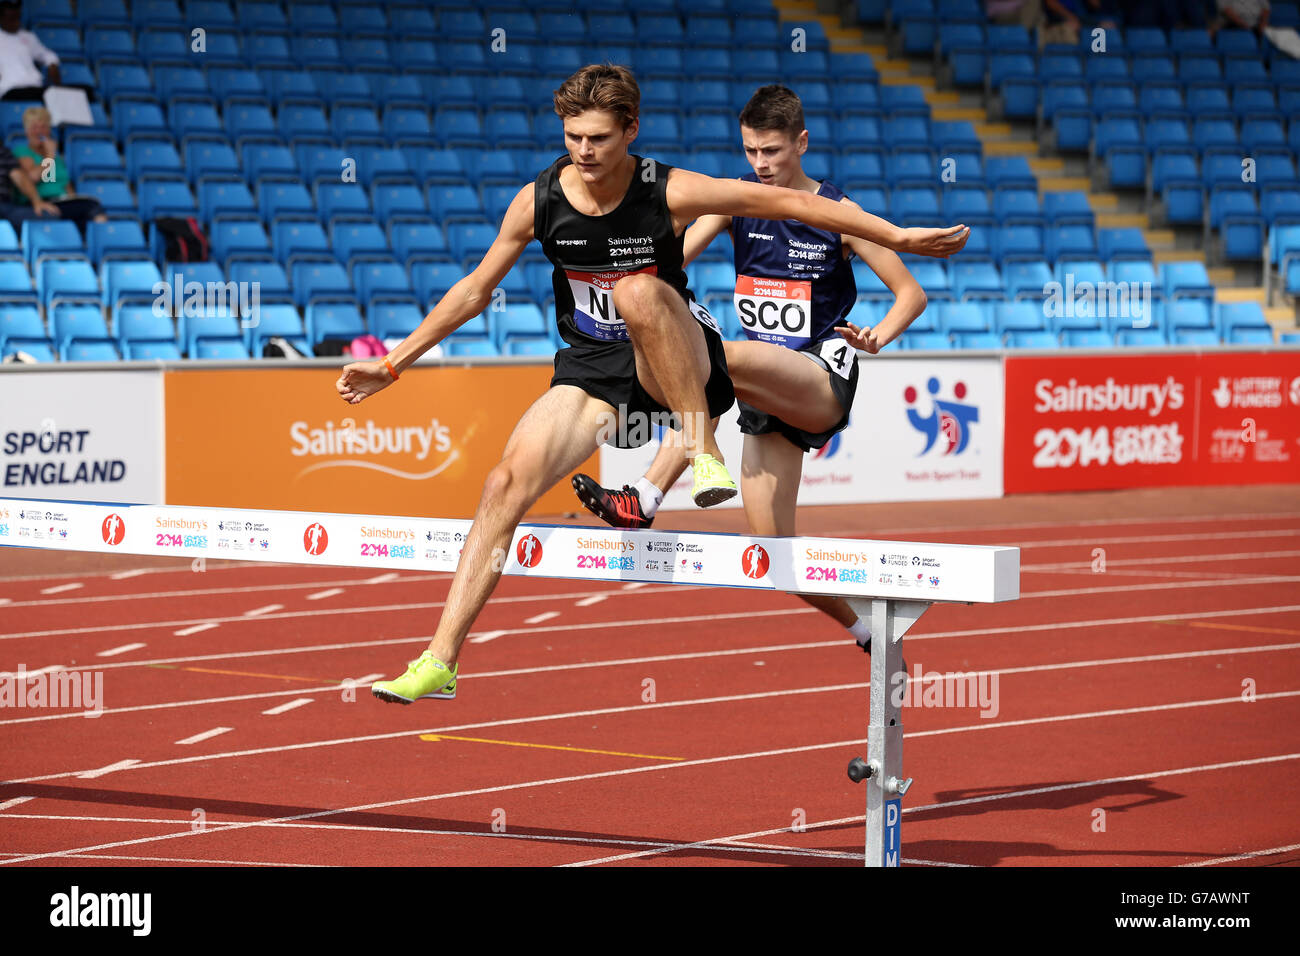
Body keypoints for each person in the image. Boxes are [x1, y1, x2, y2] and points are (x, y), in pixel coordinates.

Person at [336, 64, 968, 704]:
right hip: (592, 365)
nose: (583, 151)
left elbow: (786, 201)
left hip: (686, 355)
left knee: (640, 291)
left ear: (630, 132)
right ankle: (441, 660)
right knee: (504, 484)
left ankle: (695, 449)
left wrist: (897, 236)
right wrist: (393, 363)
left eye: (599, 139)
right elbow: (476, 289)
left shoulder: (668, 188)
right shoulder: (539, 198)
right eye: (573, 136)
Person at [570, 84, 928, 655]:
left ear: (801, 143)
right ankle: (870, 632)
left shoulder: (841, 213)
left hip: (818, 377)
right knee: (771, 551)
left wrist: (877, 337)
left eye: (773, 152)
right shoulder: (735, 204)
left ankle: (645, 494)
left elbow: (911, 293)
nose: (760, 165)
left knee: (715, 359)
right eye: (751, 152)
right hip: (762, 394)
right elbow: (667, 258)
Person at [10, 106, 106, 231]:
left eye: (43, 127)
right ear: (27, 131)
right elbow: (33, 177)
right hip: (43, 202)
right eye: (34, 127)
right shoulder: (22, 152)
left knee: (86, 220)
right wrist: (49, 156)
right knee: (92, 207)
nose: (39, 131)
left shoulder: (57, 158)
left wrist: (73, 198)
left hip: (62, 202)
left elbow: (66, 185)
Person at [0, 2, 61, 101]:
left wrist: (52, 63)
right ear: (1, 19)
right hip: (10, 89)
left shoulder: (28, 36)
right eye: (12, 19)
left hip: (34, 86)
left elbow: (45, 54)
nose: (17, 22)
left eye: (18, 18)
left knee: (84, 91)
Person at [0, 139, 58, 228]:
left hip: (5, 206)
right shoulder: (22, 151)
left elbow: (18, 176)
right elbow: (33, 176)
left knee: (50, 217)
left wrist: (37, 201)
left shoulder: (3, 152)